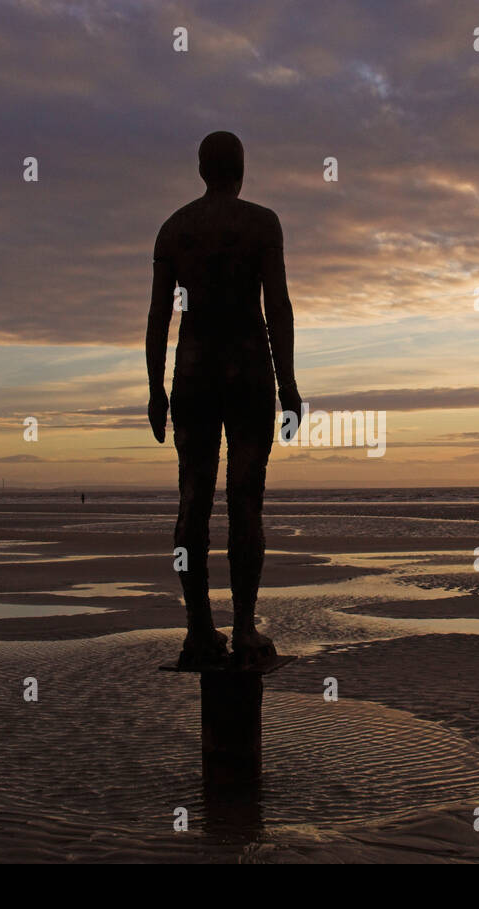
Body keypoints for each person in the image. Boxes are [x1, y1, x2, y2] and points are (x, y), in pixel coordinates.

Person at [145, 131, 302, 667]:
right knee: (245, 502)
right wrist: (290, 386)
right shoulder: (261, 224)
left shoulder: (175, 229)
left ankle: (197, 629)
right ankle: (244, 627)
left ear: (200, 170)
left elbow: (158, 320)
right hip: (250, 371)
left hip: (192, 374)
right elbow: (277, 307)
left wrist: (155, 389)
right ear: (241, 169)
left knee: (192, 503)